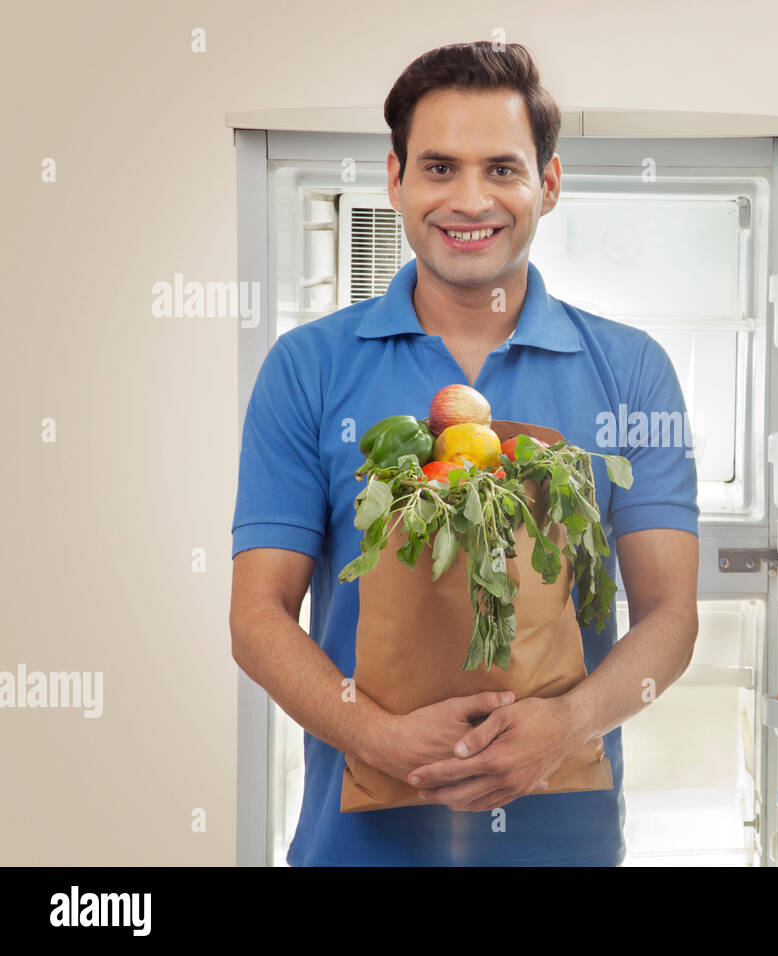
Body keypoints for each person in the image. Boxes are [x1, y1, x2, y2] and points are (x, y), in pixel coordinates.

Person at [229, 41, 700, 866]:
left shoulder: (630, 370)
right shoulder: (308, 368)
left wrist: (567, 726)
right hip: (354, 847)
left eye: (503, 169)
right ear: (396, 180)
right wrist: (382, 738)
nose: (469, 199)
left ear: (548, 185)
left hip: (567, 846)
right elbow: (257, 617)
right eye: (440, 167)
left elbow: (670, 615)